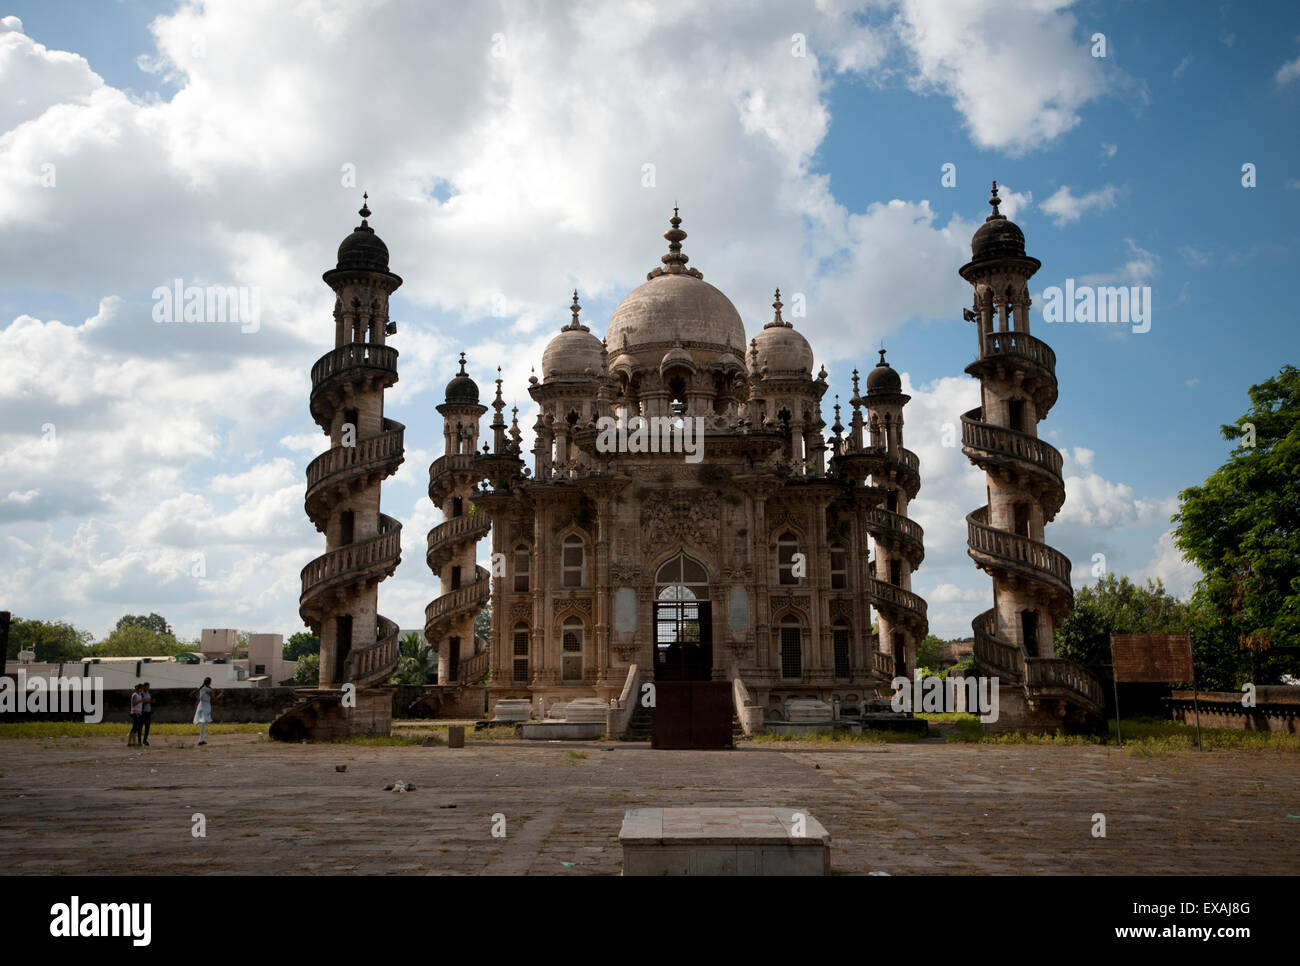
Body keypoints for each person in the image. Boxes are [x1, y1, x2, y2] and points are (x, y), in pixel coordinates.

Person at [192, 677, 218, 745]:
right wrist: (221, 694)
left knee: (204, 723)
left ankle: (201, 740)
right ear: (209, 682)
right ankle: (200, 740)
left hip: (201, 705)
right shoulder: (208, 690)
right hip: (205, 707)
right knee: (204, 723)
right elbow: (214, 699)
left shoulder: (202, 688)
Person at [139, 682, 153, 747]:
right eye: (146, 687)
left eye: (148, 687)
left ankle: (145, 740)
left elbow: (148, 701)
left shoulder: (148, 693)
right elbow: (141, 702)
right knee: (140, 726)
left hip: (148, 711)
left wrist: (149, 701)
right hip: (143, 711)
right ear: (144, 687)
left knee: (147, 726)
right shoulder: (141, 694)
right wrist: (148, 701)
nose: (147, 688)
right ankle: (139, 740)